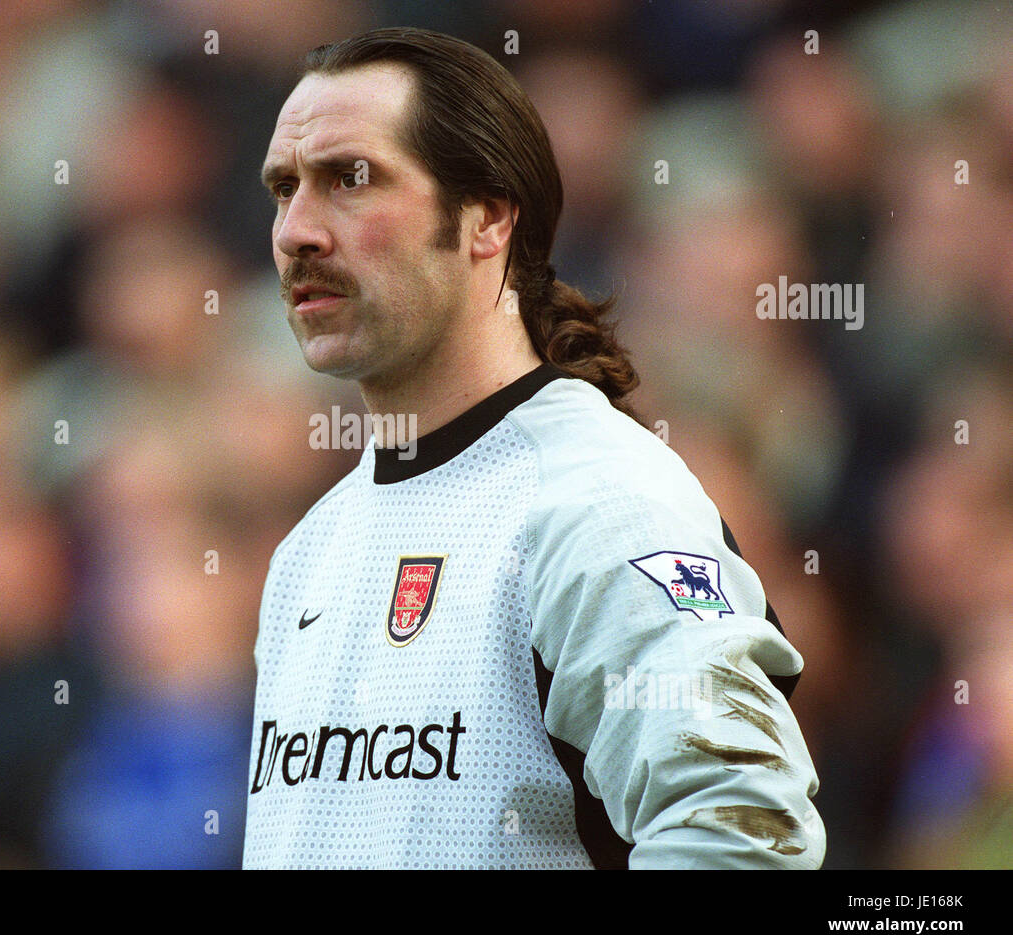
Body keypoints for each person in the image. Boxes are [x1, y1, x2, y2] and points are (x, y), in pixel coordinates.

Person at [244, 26, 825, 869]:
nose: (296, 229)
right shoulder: (306, 551)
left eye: (349, 180)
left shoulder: (603, 504)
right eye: (283, 188)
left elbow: (741, 831)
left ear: (487, 219)